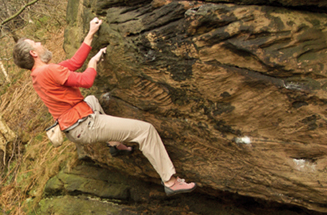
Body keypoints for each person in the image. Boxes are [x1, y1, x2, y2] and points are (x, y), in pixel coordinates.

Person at [13, 17, 196, 196]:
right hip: (84, 125)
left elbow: (75, 63)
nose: (40, 42)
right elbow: (86, 80)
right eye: (35, 42)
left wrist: (91, 33)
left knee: (91, 100)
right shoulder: (49, 70)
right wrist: (93, 63)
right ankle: (170, 182)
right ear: (33, 53)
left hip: (73, 127)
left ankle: (115, 145)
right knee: (146, 130)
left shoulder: (38, 74)